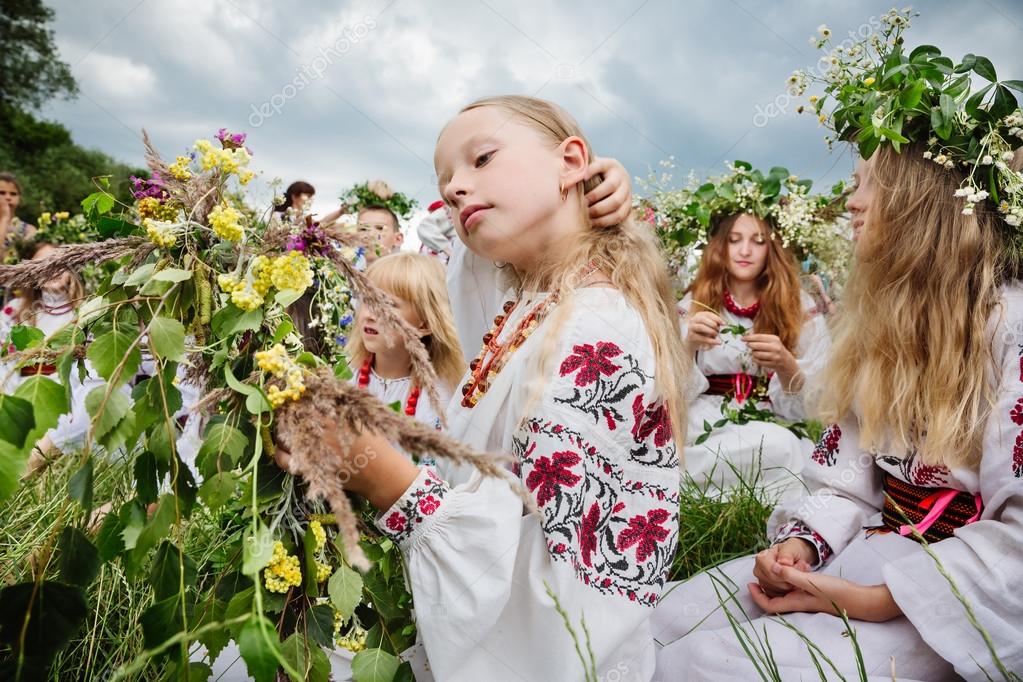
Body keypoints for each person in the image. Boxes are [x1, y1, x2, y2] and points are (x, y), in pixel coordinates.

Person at [653, 16, 1023, 679]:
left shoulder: (1006, 326)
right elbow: (847, 477)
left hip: (940, 589)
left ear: (918, 199)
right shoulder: (880, 325)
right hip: (866, 549)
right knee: (674, 618)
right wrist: (800, 543)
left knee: (718, 666)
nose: (848, 202)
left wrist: (870, 602)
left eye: (862, 183)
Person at [279, 95, 688, 681]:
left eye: (483, 158)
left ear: (570, 160)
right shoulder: (522, 299)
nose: (457, 189)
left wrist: (380, 475)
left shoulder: (595, 327)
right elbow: (458, 245)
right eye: (446, 183)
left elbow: (551, 581)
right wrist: (583, 185)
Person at [681, 208, 829, 498]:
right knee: (783, 449)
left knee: (796, 450)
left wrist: (787, 365)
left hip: (768, 417)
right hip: (706, 423)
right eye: (735, 240)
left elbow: (817, 403)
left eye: (758, 241)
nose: (745, 250)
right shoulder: (693, 304)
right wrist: (687, 346)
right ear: (720, 247)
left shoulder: (798, 306)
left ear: (771, 248)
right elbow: (669, 391)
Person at [0, 241, 96, 470]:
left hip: (64, 406)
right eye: (43, 263)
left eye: (58, 263)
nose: (51, 269)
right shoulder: (14, 312)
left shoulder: (87, 314)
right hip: (17, 401)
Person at [345, 251, 464, 435]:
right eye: (367, 300)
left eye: (387, 305)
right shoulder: (345, 377)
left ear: (424, 323)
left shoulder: (441, 399)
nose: (369, 315)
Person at [0, 172, 37, 265]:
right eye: (2, 193)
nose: (8, 197)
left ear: (19, 198)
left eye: (13, 194)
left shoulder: (28, 229)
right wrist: (4, 218)